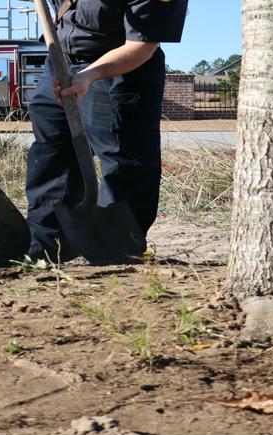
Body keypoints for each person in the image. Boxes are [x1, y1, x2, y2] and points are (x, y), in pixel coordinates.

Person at [26, 0, 188, 262]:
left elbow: (143, 45)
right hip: (60, 61)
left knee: (122, 160)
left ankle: (118, 249)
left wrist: (90, 75)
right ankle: (47, 246)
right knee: (52, 153)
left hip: (122, 68)